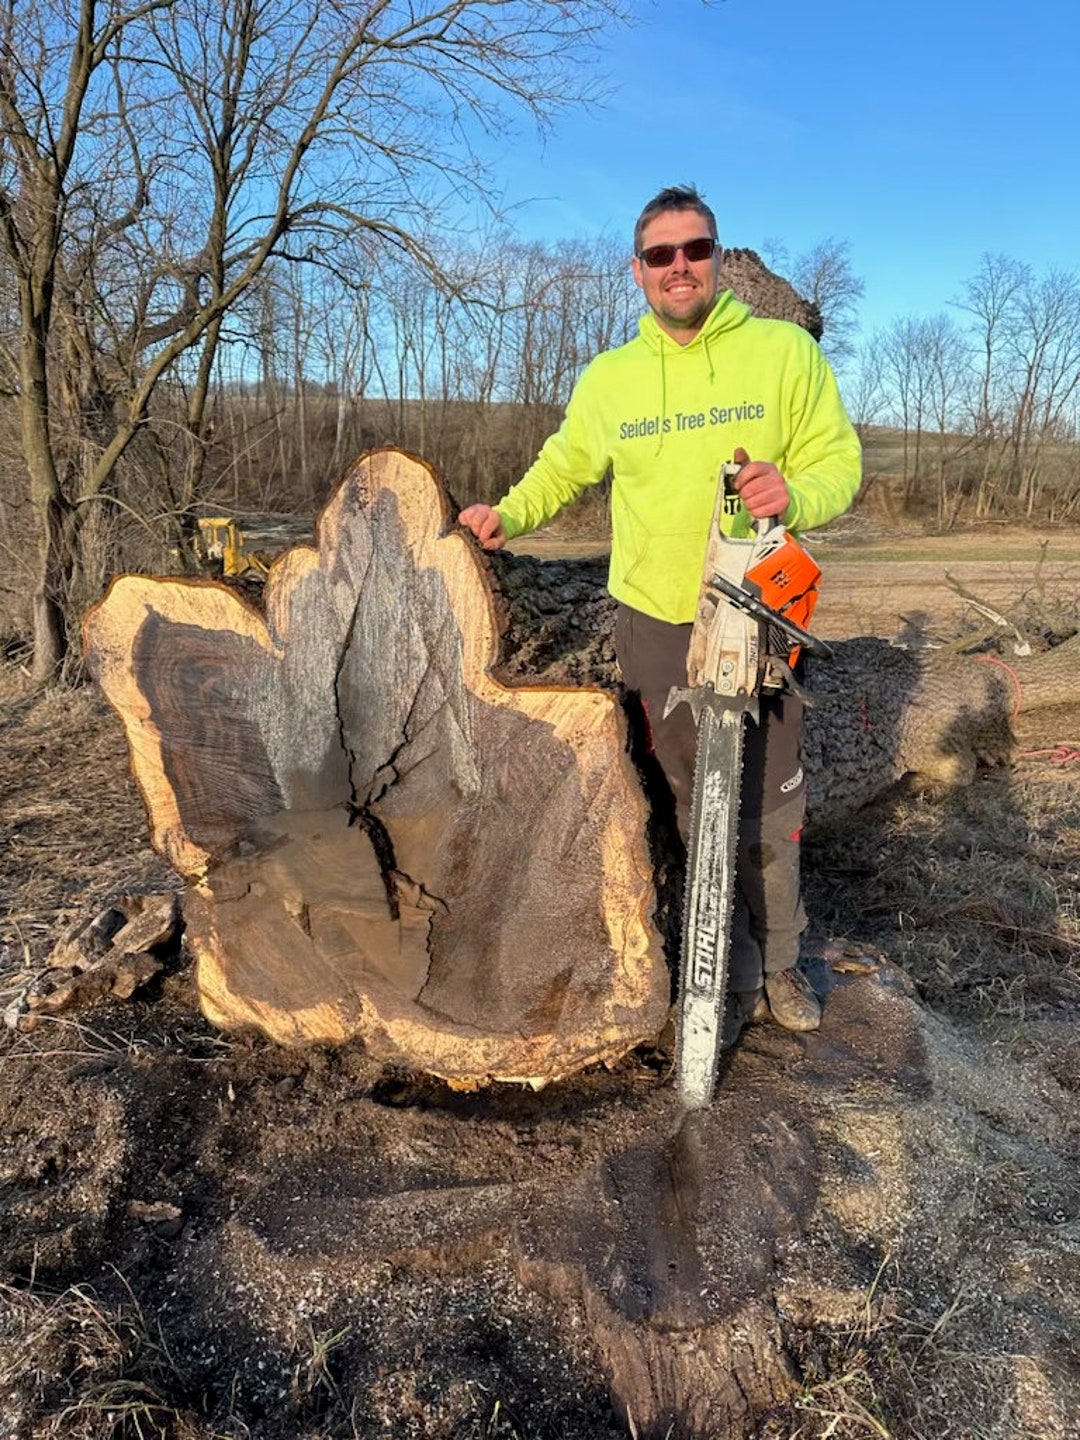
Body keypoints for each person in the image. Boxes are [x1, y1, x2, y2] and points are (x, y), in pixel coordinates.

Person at [459, 185, 861, 1047]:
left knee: (772, 795)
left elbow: (839, 463)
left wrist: (798, 491)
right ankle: (715, 962)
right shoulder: (612, 378)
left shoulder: (784, 354)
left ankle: (780, 959)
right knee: (689, 799)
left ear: (718, 258)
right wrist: (507, 516)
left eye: (696, 249)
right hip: (656, 622)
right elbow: (563, 465)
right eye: (661, 255)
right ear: (637, 271)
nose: (680, 267)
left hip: (760, 614)